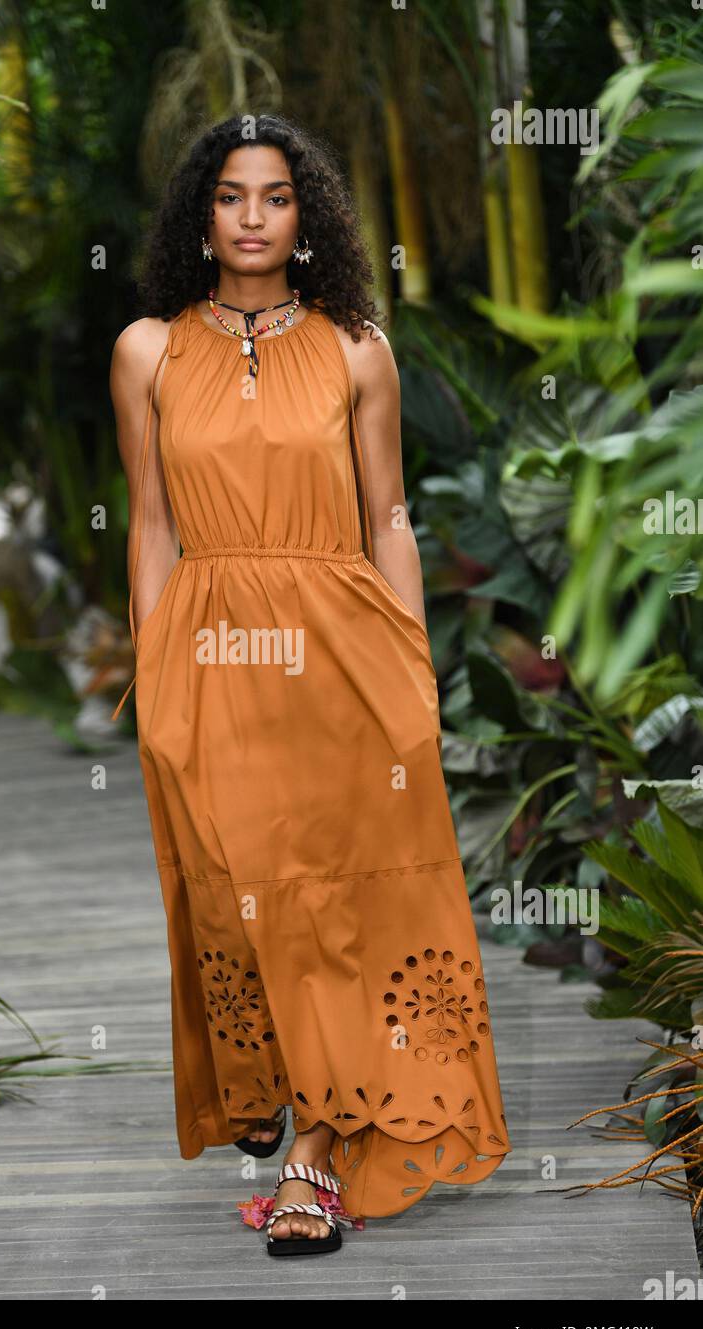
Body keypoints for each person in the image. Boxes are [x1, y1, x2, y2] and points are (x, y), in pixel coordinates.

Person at [109, 114, 511, 1256]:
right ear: (201, 217)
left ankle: (316, 1153)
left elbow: (388, 516)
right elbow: (149, 525)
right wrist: (154, 677)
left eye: (275, 196)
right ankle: (282, 1084)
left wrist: (413, 680)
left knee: (338, 898)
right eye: (230, 196)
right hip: (207, 650)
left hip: (342, 651)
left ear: (305, 214)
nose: (250, 217)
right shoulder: (147, 349)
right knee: (244, 890)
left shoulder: (356, 347)